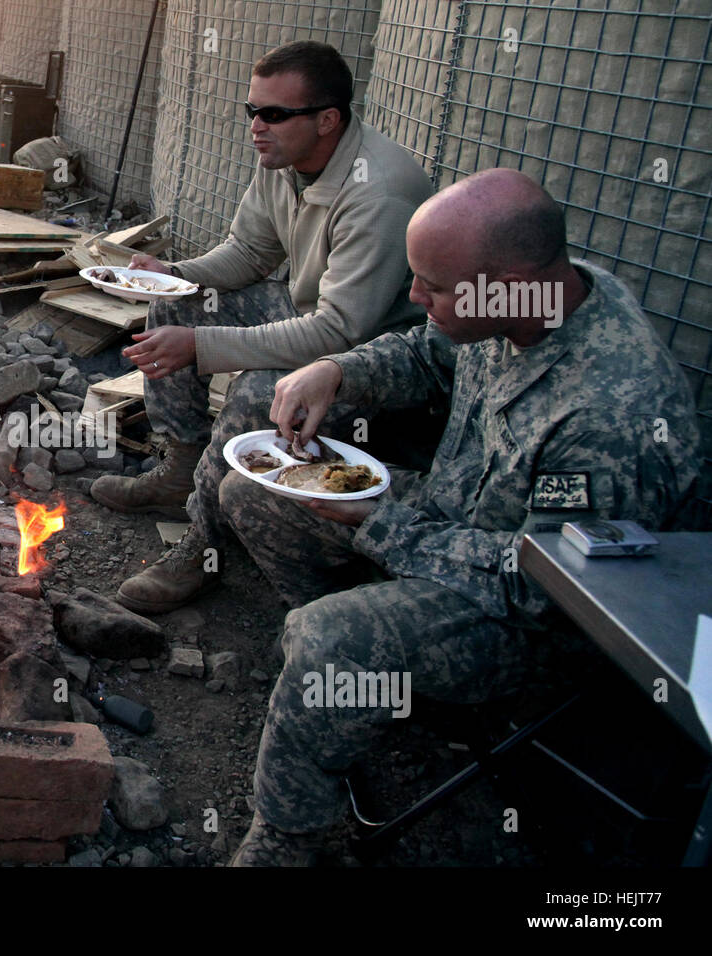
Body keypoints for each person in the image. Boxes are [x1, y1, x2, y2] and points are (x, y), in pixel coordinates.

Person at [222, 168, 699, 865]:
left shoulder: (610, 414)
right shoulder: (524, 298)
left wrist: (378, 524)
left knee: (327, 637)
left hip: (535, 621)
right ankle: (354, 692)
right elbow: (427, 353)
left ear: (503, 282)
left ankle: (294, 840)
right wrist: (341, 370)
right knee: (258, 493)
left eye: (432, 286)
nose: (415, 297)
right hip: (455, 521)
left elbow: (545, 591)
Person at [91, 41, 434, 614]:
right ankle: (181, 468)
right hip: (314, 318)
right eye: (251, 110)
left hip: (372, 361)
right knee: (179, 305)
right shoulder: (285, 159)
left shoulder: (378, 191)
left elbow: (341, 332)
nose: (256, 126)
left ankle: (206, 542)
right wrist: (174, 275)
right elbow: (249, 251)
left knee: (256, 392)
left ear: (328, 120)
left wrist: (203, 348)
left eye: (273, 113)